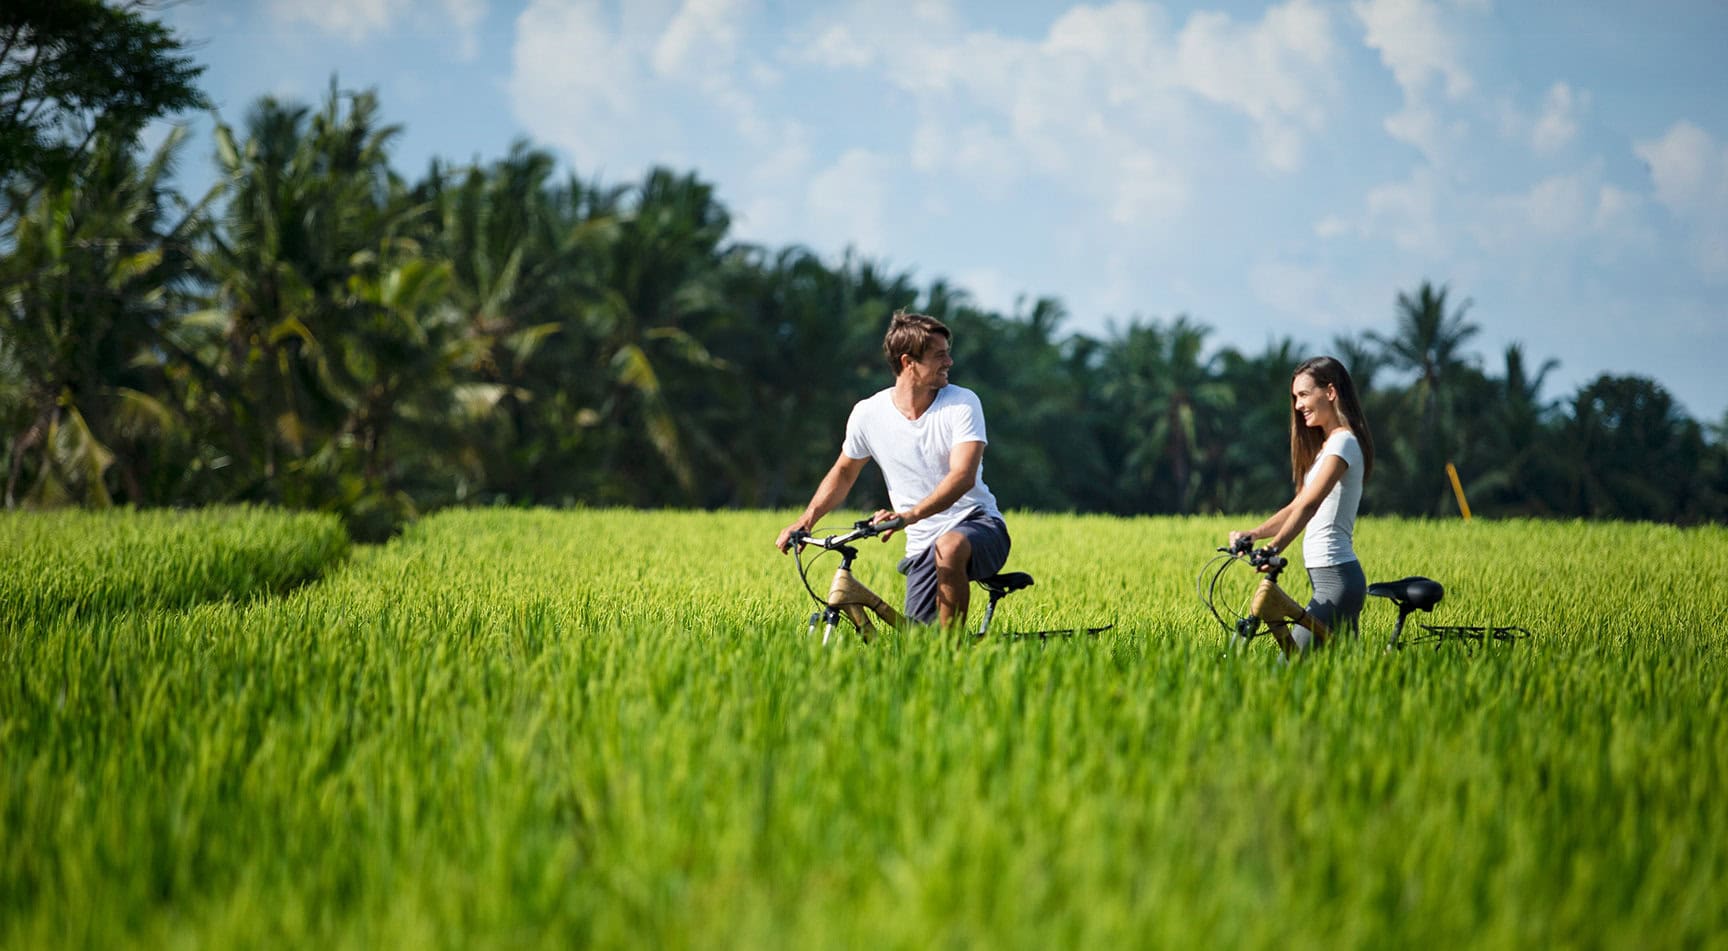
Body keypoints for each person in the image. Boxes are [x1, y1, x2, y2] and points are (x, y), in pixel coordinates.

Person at [775, 309, 1011, 630]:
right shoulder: (868, 414)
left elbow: (962, 476)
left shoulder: (962, 403)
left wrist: (906, 516)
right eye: (939, 356)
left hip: (979, 525)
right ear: (907, 362)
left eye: (948, 354)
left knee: (950, 546)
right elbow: (845, 472)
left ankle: (952, 654)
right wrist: (806, 520)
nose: (949, 362)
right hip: (922, 547)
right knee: (914, 647)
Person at [1228, 355, 1375, 653]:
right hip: (1330, 579)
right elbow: (1299, 504)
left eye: (1304, 395)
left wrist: (1273, 549)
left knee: (1290, 671)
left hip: (1337, 579)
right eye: (1295, 397)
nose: (1297, 405)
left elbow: (1310, 505)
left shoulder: (1343, 442)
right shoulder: (1327, 446)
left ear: (1330, 392)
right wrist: (1255, 535)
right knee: (1344, 676)